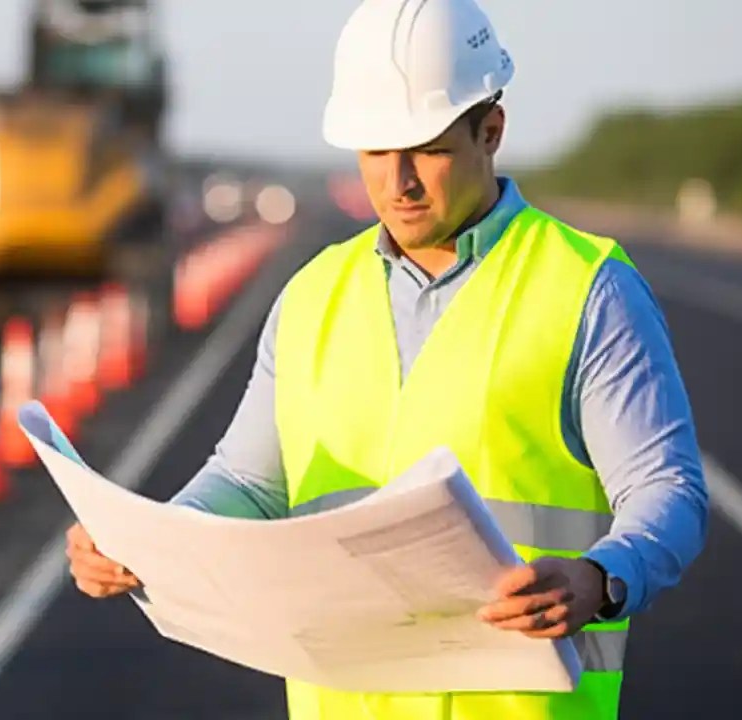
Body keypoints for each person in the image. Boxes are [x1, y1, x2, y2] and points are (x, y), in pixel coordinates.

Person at [65, 0, 709, 717]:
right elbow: (248, 483)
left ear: (490, 130)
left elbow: (668, 492)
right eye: (375, 150)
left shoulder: (588, 288)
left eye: (427, 149)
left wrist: (598, 579)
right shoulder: (311, 295)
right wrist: (148, 543)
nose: (398, 182)